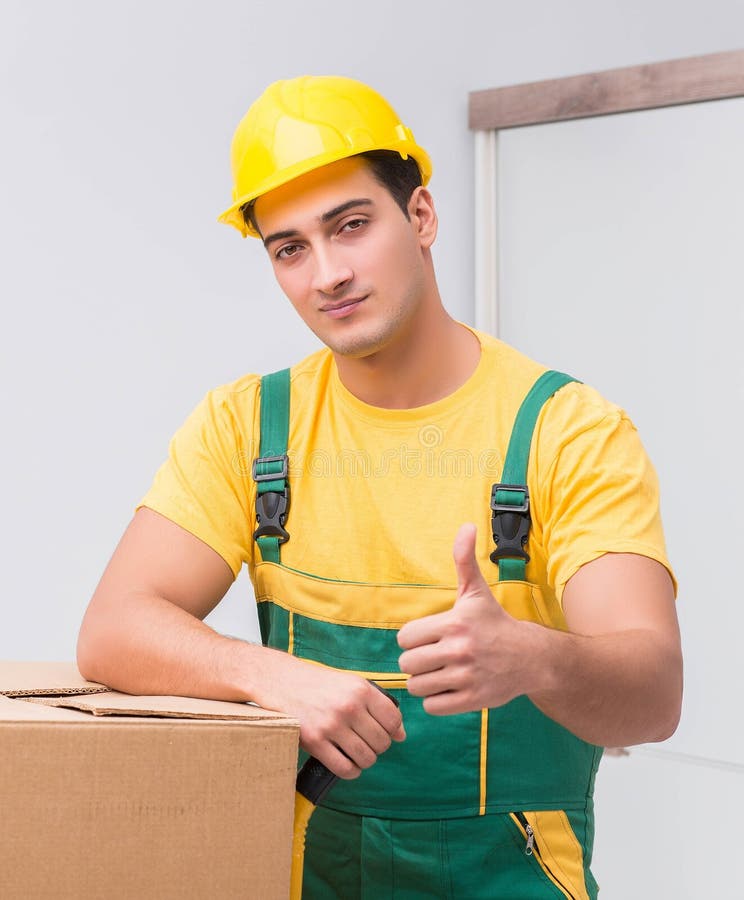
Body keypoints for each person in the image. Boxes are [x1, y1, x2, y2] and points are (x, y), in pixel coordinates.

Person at [78, 75, 682, 898]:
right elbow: (113, 628)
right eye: (290, 248)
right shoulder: (250, 429)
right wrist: (270, 676)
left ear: (422, 217)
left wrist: (530, 657)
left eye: (351, 226)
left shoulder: (564, 430)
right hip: (310, 879)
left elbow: (653, 694)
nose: (327, 274)